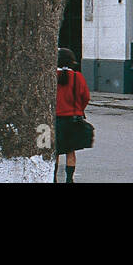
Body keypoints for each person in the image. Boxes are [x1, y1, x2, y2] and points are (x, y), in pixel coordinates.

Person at [55, 48, 91, 183]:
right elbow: (86, 97)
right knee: (70, 151)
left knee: (55, 151)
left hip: (55, 119)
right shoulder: (77, 77)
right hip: (72, 119)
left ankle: (53, 178)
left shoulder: (51, 76)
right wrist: (78, 109)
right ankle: (69, 179)